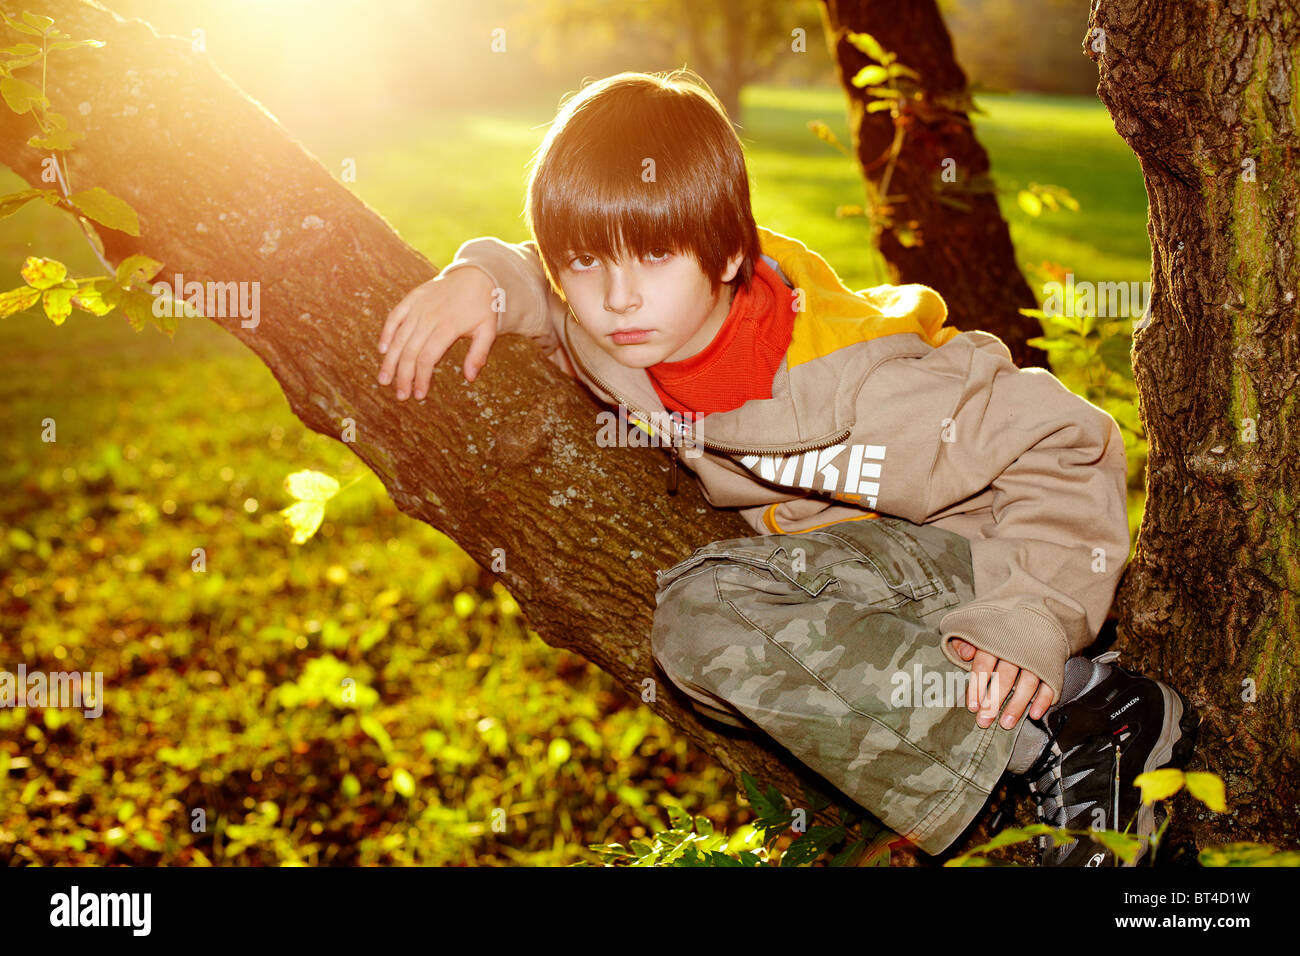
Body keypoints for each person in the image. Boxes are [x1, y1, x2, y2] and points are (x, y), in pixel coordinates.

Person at [375, 69, 1198, 865]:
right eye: (587, 261)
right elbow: (545, 291)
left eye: (655, 255)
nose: (618, 298)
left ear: (728, 255)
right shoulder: (619, 325)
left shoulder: (862, 380)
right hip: (854, 572)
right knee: (708, 631)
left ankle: (1087, 713)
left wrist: (1033, 617)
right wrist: (482, 280)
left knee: (706, 611)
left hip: (972, 550)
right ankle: (1034, 736)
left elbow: (1067, 440)